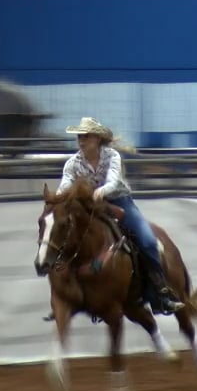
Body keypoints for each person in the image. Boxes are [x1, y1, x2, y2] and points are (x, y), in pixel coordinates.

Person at [56, 117, 184, 315]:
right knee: (66, 237)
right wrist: (60, 197)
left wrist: (102, 191)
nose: (81, 140)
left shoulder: (112, 156)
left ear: (97, 139)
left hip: (119, 202)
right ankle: (65, 296)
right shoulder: (72, 163)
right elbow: (65, 184)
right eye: (79, 137)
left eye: (86, 136)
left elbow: (113, 181)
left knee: (148, 241)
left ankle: (160, 294)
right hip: (90, 206)